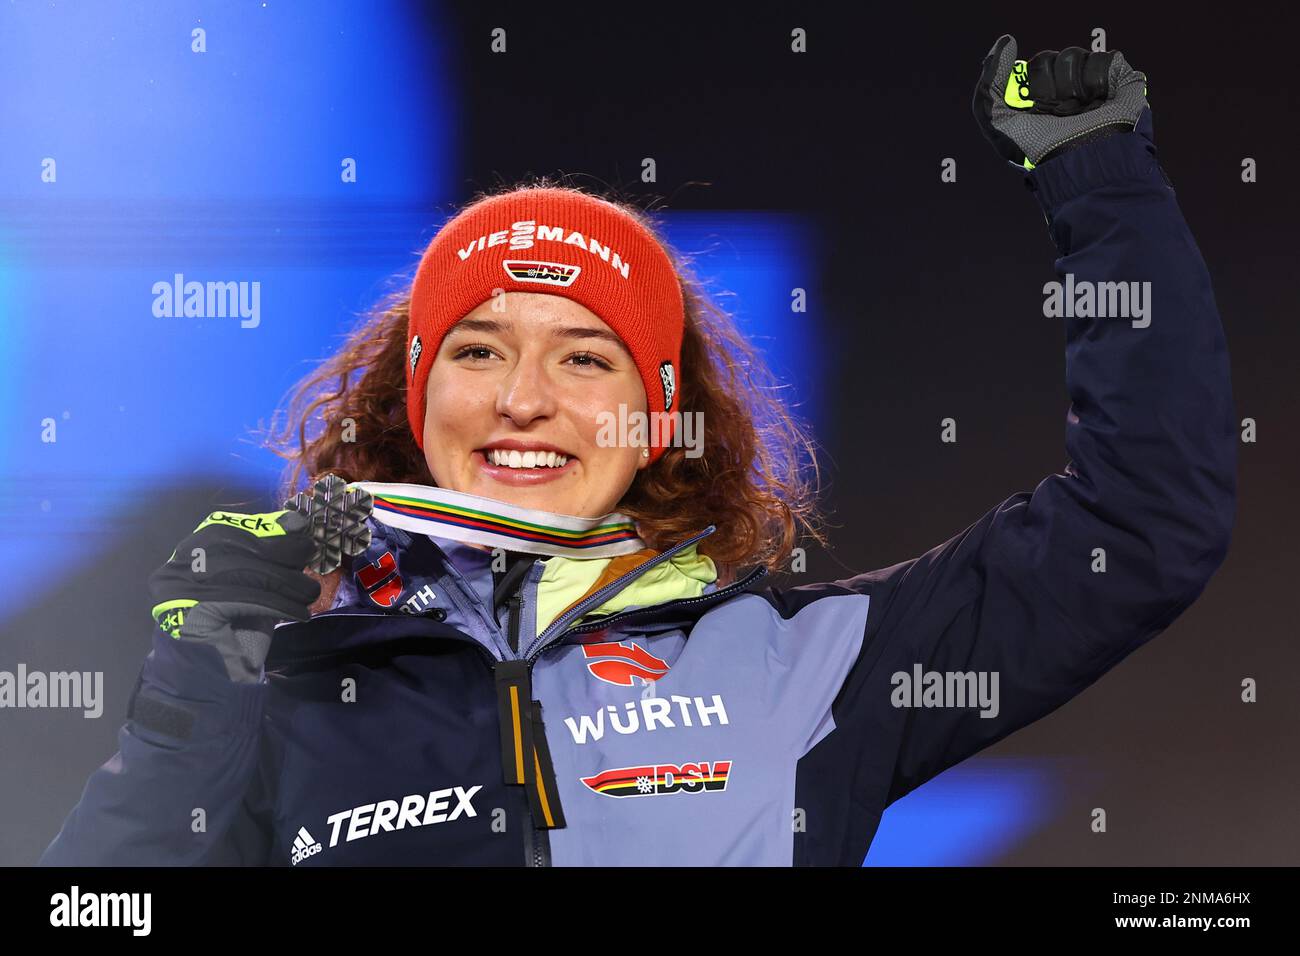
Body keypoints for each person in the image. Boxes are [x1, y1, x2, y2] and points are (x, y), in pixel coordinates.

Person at [39, 37, 1235, 866]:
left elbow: (1139, 521)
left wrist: (1097, 179)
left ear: (660, 417)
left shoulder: (810, 666)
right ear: (414, 399)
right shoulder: (288, 691)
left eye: (585, 357)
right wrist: (195, 695)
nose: (523, 399)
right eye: (477, 350)